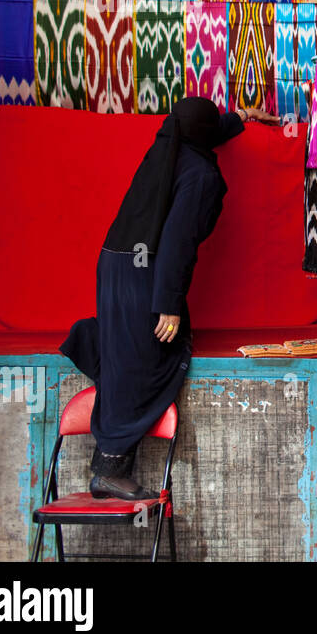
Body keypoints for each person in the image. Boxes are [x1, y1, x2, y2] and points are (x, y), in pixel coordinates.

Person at [61, 97, 277, 500]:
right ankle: (109, 466)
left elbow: (201, 130)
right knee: (147, 360)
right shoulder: (199, 175)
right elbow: (178, 244)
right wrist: (169, 304)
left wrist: (243, 117)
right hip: (148, 275)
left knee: (125, 353)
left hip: (116, 264)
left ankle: (111, 452)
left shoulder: (167, 146)